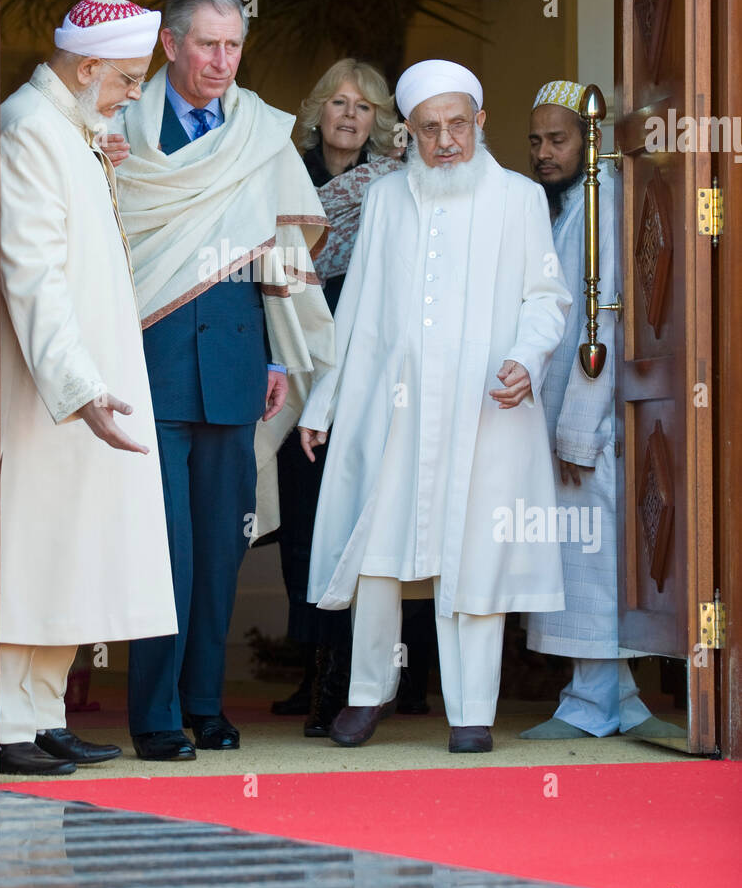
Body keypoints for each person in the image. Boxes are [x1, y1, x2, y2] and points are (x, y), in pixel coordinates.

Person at [299, 59, 571, 754]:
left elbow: (545, 300)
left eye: (456, 124)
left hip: (484, 406)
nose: (444, 140)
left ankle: (471, 709)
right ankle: (365, 696)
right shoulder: (388, 199)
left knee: (473, 550)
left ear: (479, 123)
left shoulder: (518, 198)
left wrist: (527, 359)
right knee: (377, 552)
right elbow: (354, 306)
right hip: (392, 411)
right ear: (409, 133)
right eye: (428, 128)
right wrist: (321, 405)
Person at [115, 0, 335, 760]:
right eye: (206, 44)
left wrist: (279, 351)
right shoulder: (120, 127)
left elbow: (279, 246)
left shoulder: (260, 132)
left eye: (232, 44)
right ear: (169, 43)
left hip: (239, 365)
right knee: (163, 547)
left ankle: (204, 704)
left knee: (218, 547)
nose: (220, 61)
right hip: (150, 362)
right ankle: (154, 714)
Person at [0, 0, 178, 775]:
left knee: (71, 549)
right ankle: (3, 722)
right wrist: (76, 386)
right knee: (33, 548)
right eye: (129, 80)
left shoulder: (71, 127)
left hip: (89, 378)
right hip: (47, 387)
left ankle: (41, 715)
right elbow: (31, 273)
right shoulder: (29, 129)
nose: (135, 95)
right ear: (86, 67)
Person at [522, 81, 682, 741]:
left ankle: (591, 703)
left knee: (591, 557)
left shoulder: (605, 203)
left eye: (556, 138)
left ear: (590, 138)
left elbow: (604, 324)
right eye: (534, 139)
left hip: (594, 416)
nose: (541, 152)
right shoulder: (571, 205)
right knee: (587, 556)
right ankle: (612, 695)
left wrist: (578, 429)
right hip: (573, 412)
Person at [273, 59, 402, 734]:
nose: (350, 115)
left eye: (364, 107)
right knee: (300, 521)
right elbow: (268, 262)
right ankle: (310, 664)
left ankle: (350, 677)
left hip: (364, 362)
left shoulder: (392, 186)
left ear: (378, 121)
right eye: (339, 103)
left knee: (354, 517)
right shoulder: (284, 177)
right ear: (318, 109)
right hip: (294, 356)